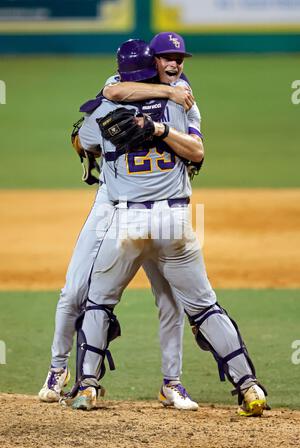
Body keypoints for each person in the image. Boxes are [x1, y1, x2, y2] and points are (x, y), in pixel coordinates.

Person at [61, 37, 268, 417]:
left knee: (99, 302)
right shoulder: (178, 103)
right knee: (205, 307)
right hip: (176, 222)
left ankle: (87, 386)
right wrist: (157, 128)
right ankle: (249, 386)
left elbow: (83, 141)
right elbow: (197, 151)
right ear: (154, 66)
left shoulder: (106, 108)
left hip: (127, 222)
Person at [39, 35, 201, 411]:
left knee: (170, 298)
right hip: (110, 204)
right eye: (166, 58)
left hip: (161, 207)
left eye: (178, 58)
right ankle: (58, 369)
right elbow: (109, 98)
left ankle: (172, 383)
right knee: (76, 290)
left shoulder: (181, 90)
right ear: (152, 61)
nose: (173, 65)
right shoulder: (120, 87)